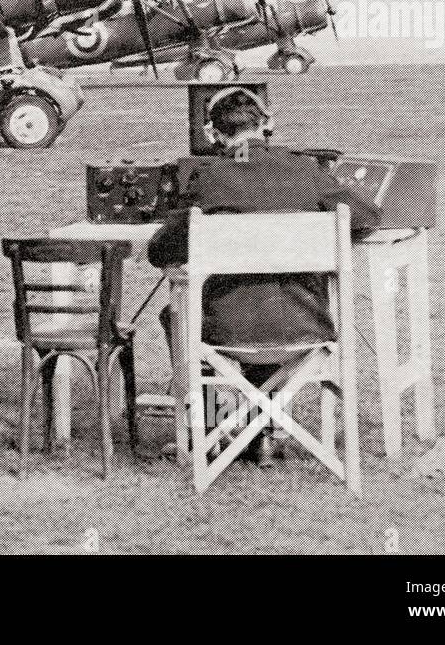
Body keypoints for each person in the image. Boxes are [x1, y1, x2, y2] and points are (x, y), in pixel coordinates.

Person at [147, 86, 379, 465]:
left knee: (178, 313)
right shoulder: (307, 171)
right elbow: (366, 218)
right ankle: (264, 431)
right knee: (271, 300)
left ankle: (211, 432)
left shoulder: (208, 180)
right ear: (267, 124)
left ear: (211, 134)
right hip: (306, 327)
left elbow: (161, 252)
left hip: (226, 330)